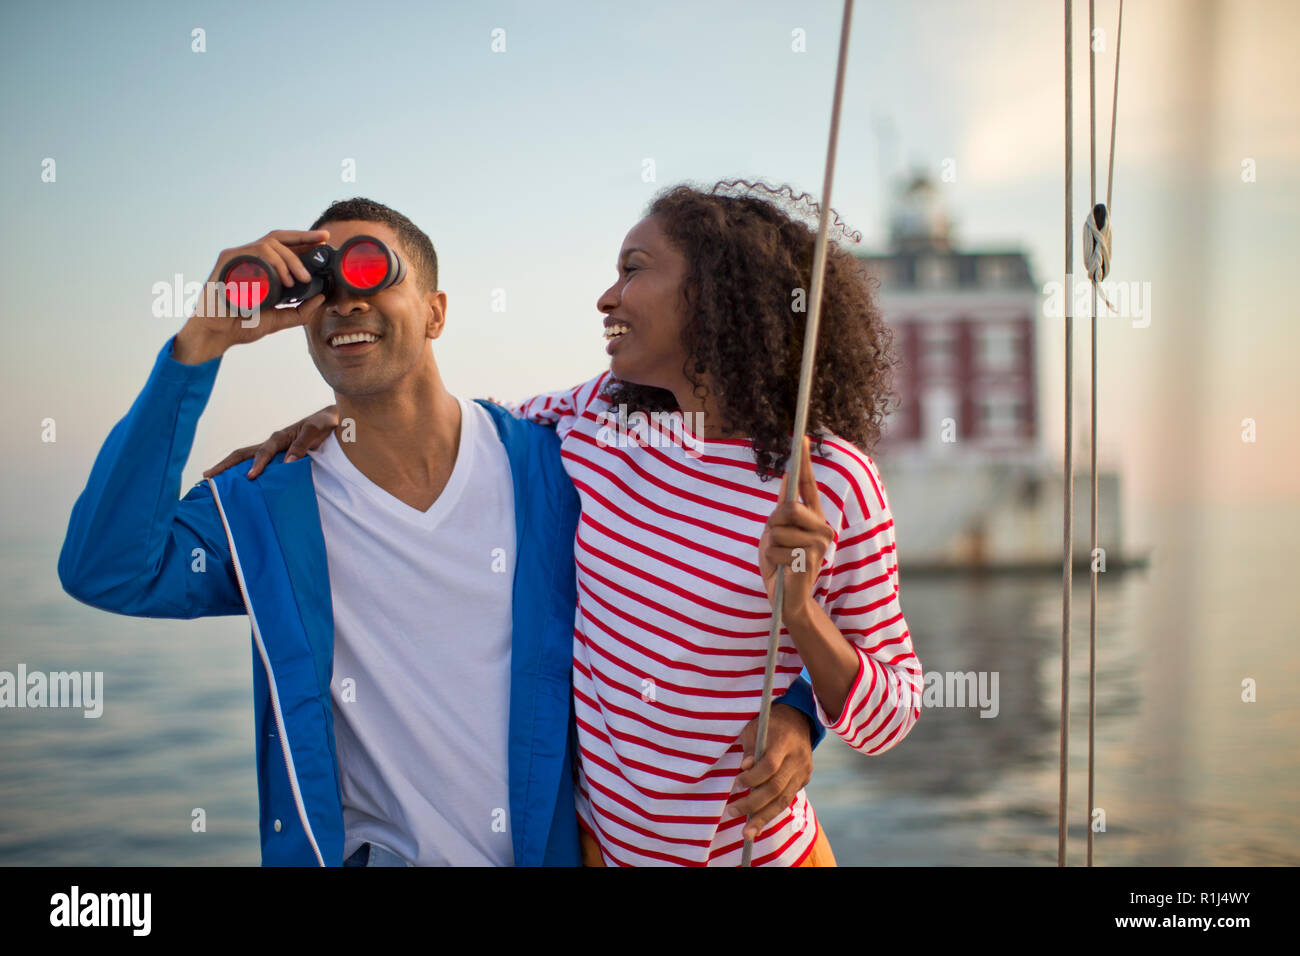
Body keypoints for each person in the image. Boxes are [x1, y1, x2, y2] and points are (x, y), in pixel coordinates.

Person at [56, 195, 824, 866]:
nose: (344, 301)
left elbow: (719, 597)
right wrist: (200, 343)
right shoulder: (264, 504)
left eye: (369, 270)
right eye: (319, 283)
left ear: (436, 311)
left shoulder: (556, 468)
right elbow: (109, 567)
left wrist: (797, 704)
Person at [214, 182, 924, 866]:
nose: (605, 296)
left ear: (711, 295)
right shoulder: (594, 421)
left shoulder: (831, 481)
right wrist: (336, 423)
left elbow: (889, 714)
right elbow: (459, 428)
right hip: (596, 852)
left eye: (632, 271)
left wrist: (801, 620)